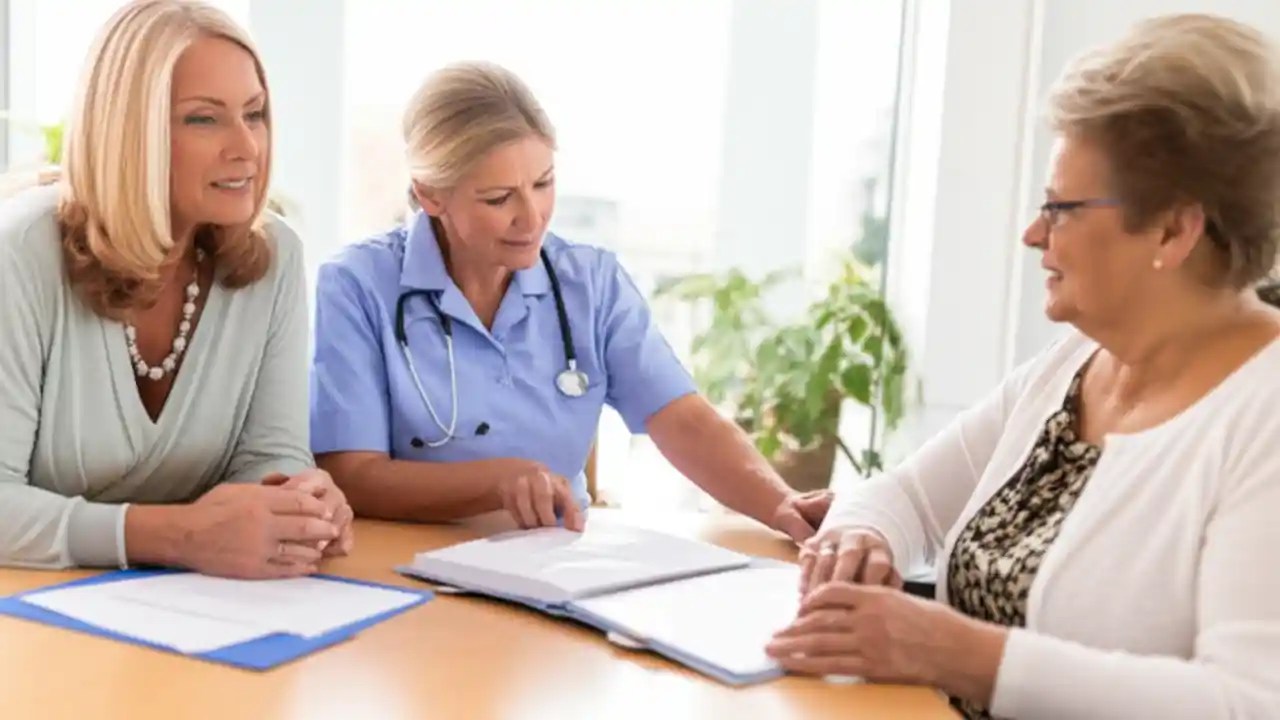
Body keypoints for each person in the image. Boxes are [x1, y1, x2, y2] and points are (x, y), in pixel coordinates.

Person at [766, 13, 1280, 719]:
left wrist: (954, 651)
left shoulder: (1263, 415)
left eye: (1061, 208)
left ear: (1174, 228)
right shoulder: (1077, 361)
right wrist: (863, 534)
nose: (1032, 233)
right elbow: (909, 496)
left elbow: (1247, 702)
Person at [309, 61, 830, 541]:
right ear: (430, 195)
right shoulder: (358, 285)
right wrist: (498, 480)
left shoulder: (591, 283)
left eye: (543, 183)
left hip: (555, 562)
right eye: (498, 198)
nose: (532, 216)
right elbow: (352, 475)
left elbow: (681, 418)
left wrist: (780, 502)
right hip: (408, 564)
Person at [0, 0, 353, 578]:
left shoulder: (276, 257)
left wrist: (296, 505)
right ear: (129, 134)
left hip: (189, 616)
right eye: (203, 118)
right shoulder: (19, 253)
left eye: (255, 114)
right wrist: (178, 536)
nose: (247, 147)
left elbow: (269, 455)